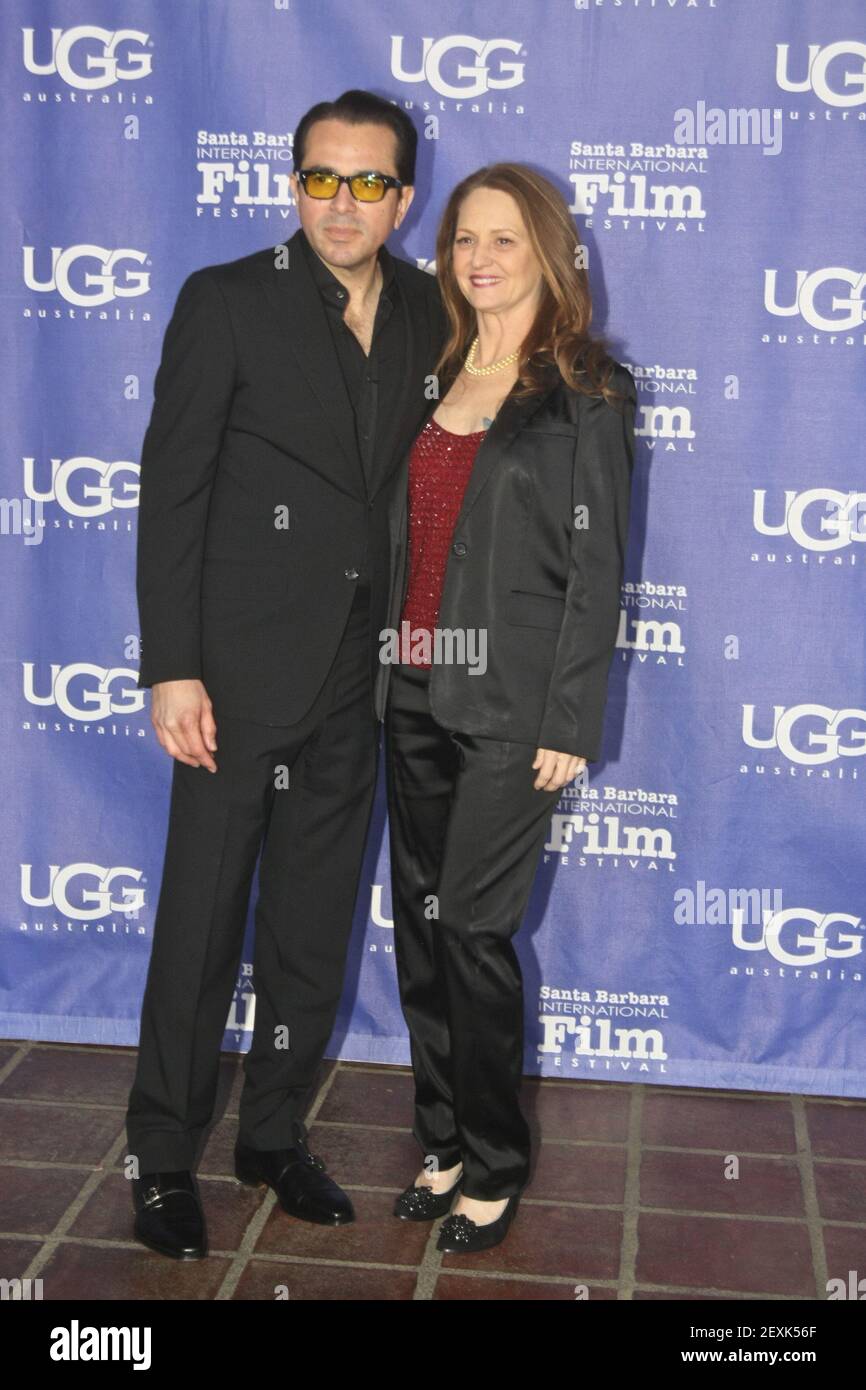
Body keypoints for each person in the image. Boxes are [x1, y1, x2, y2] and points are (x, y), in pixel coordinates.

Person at [126, 89, 446, 1260]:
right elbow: (175, 493)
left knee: (312, 930)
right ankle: (160, 1154)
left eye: (368, 182)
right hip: (236, 679)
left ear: (401, 197)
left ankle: (270, 1135)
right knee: (202, 923)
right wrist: (173, 668)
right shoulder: (226, 300)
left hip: (358, 686)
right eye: (322, 177)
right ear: (292, 183)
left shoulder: (426, 309)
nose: (342, 201)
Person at [376, 163, 637, 1254]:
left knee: (475, 930)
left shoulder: (586, 388)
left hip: (508, 706)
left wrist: (567, 721)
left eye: (504, 241)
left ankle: (493, 1159)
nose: (478, 260)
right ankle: (437, 1138)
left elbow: (597, 566)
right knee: (425, 933)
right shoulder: (428, 371)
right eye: (462, 240)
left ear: (546, 255)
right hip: (410, 688)